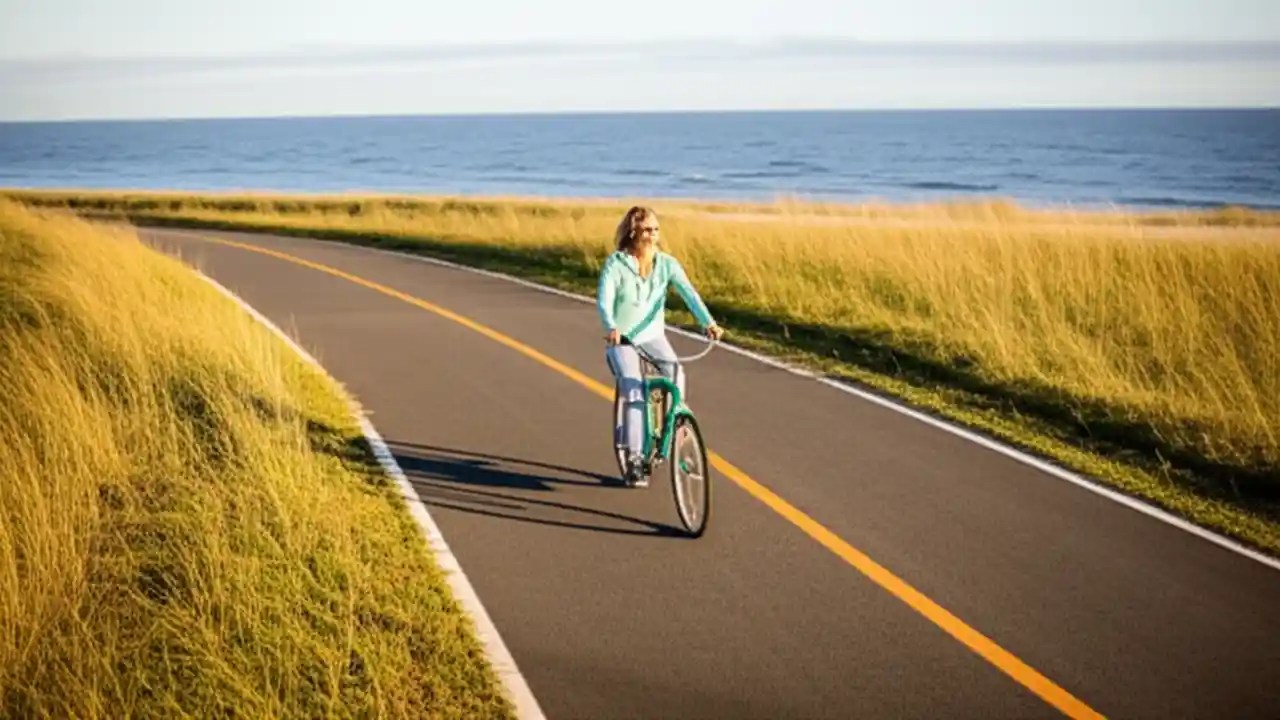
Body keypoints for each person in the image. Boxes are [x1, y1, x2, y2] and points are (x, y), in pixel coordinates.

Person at [597, 206, 723, 487]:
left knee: (676, 373)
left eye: (656, 230)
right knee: (633, 389)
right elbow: (604, 301)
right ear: (633, 233)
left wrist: (709, 323)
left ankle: (671, 425)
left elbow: (690, 294)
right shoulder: (616, 264)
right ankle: (635, 458)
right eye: (646, 230)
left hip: (653, 336)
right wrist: (611, 328)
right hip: (623, 339)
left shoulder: (667, 264)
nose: (653, 236)